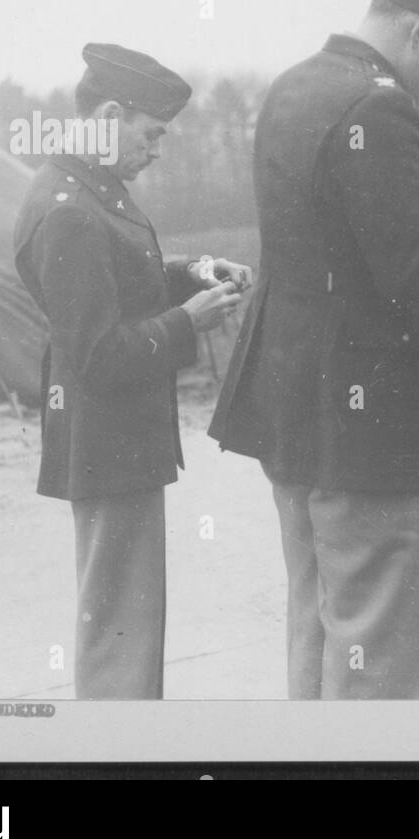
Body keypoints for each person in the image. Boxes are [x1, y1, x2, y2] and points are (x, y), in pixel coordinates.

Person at [208, 0, 419, 699]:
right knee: (382, 655)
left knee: (318, 631)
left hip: (293, 417)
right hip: (366, 427)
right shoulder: (381, 106)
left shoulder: (293, 86)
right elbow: (416, 273)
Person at [14, 42, 251, 699]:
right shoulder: (69, 208)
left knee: (128, 624)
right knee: (120, 634)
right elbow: (98, 352)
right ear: (111, 114)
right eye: (151, 134)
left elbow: (123, 275)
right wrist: (189, 321)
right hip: (107, 441)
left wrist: (195, 272)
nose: (158, 149)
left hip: (116, 442)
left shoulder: (87, 187)